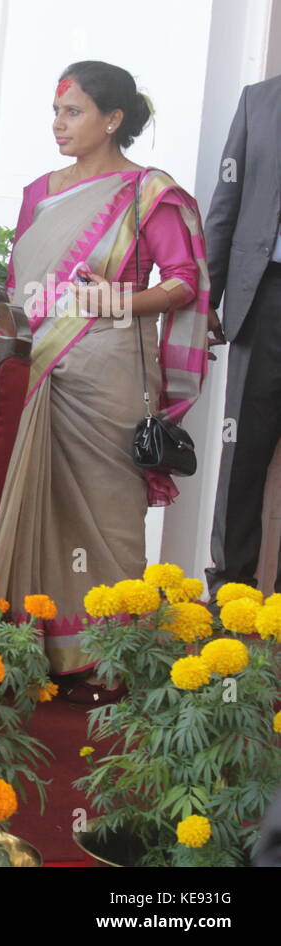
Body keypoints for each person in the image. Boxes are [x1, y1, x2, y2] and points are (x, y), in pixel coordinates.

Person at [0, 62, 211, 698]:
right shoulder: (39, 192)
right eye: (56, 112)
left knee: (109, 510)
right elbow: (21, 289)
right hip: (41, 368)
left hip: (109, 371)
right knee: (40, 498)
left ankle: (114, 653)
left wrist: (119, 301)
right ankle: (35, 647)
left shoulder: (148, 193)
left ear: (112, 120)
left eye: (73, 112)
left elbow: (184, 282)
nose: (59, 124)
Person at [202, 75, 280, 595]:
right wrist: (207, 296)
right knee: (243, 450)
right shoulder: (260, 100)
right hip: (265, 297)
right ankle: (229, 594)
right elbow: (226, 205)